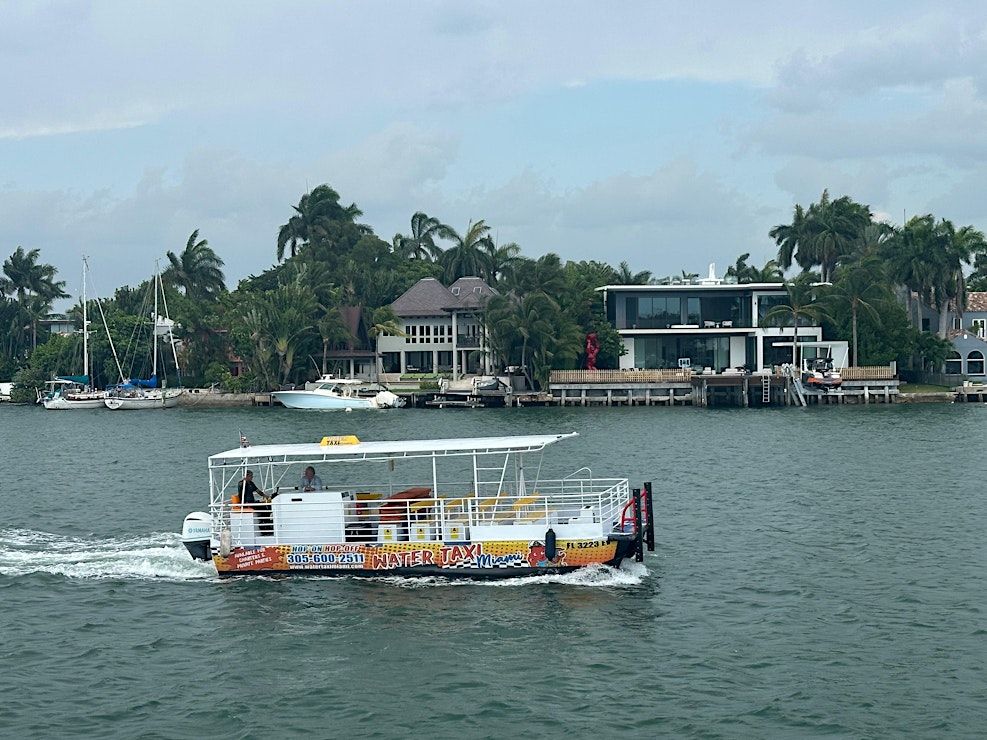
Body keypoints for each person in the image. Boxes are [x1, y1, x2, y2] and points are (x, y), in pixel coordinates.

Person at [237, 470, 274, 536]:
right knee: (263, 507)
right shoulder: (242, 484)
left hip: (252, 501)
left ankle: (266, 523)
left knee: (267, 506)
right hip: (247, 502)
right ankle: (264, 524)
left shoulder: (251, 483)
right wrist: (242, 503)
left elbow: (258, 491)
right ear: (247, 476)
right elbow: (240, 494)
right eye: (251, 476)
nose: (252, 477)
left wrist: (265, 496)